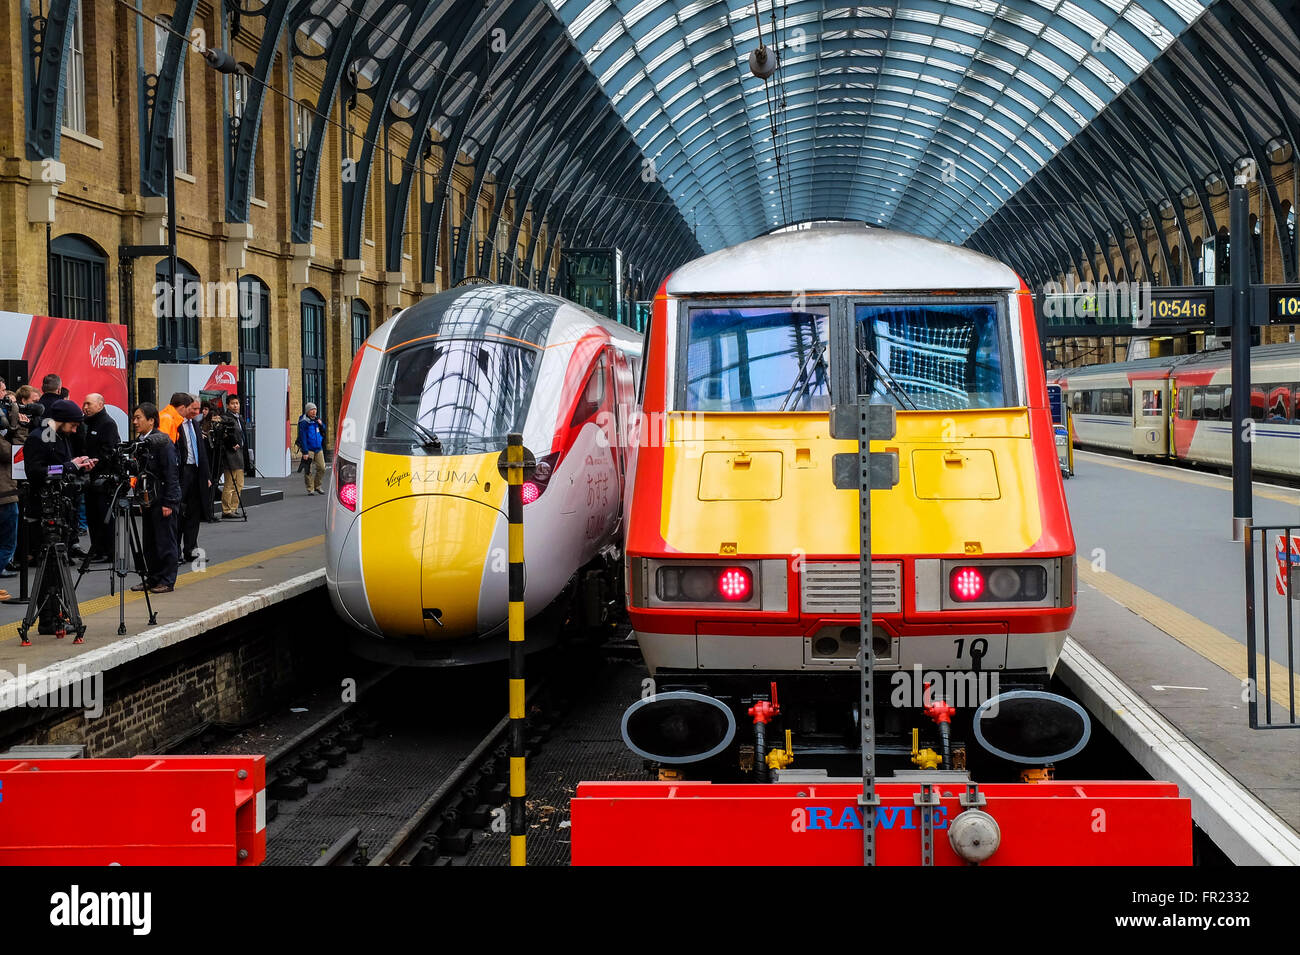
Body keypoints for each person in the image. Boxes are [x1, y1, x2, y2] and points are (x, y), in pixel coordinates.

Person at [22, 399, 96, 630]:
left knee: (58, 566)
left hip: (60, 508)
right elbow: (35, 471)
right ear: (62, 420)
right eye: (73, 425)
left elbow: (60, 465)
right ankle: (48, 619)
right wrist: (69, 467)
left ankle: (59, 615)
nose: (75, 430)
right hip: (42, 512)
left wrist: (77, 466)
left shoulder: (60, 437)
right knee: (49, 568)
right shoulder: (38, 437)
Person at [129, 403, 180, 594]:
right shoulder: (140, 443)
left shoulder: (162, 442)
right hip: (147, 500)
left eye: (139, 417)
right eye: (134, 418)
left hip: (162, 499)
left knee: (165, 541)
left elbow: (172, 474)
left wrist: (170, 502)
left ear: (151, 420)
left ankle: (167, 580)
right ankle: (152, 578)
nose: (135, 421)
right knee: (149, 542)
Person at [81, 393, 121, 562]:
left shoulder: (107, 423)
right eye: (84, 404)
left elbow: (109, 452)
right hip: (90, 479)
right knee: (92, 516)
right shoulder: (86, 423)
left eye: (89, 404)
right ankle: (96, 550)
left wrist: (95, 464)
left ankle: (108, 552)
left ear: (100, 404)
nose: (85, 407)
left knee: (104, 516)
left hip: (103, 480)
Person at [173, 394, 212, 562]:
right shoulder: (175, 424)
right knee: (178, 513)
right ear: (185, 407)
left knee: (194, 513)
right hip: (182, 473)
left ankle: (191, 549)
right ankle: (175, 552)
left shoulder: (195, 425)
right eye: (193, 409)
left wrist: (206, 476)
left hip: (196, 472)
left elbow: (201, 451)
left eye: (198, 409)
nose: (197, 412)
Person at [0, 380, 21, 596]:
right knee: (7, 544)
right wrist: (16, 424)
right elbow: (13, 453)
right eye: (2, 390)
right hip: (5, 494)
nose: (5, 395)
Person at [217, 396, 248, 518]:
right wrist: (231, 443)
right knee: (230, 484)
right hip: (231, 455)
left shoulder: (240, 418)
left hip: (240, 454)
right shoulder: (225, 418)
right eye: (232, 403)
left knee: (239, 484)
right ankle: (226, 510)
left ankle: (234, 508)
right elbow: (224, 434)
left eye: (237, 403)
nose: (235, 405)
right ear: (228, 405)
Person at [296, 402, 327, 495]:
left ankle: (318, 486)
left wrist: (321, 424)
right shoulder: (304, 422)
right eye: (311, 410)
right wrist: (305, 451)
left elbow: (324, 430)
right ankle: (310, 489)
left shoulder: (317, 420)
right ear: (307, 411)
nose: (314, 412)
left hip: (318, 448)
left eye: (315, 410)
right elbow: (303, 437)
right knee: (308, 469)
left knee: (322, 468)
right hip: (308, 449)